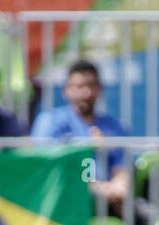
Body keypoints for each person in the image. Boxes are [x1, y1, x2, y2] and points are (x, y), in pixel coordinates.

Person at [31, 60, 131, 209]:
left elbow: (122, 167)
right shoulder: (50, 122)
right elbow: (50, 167)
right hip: (64, 200)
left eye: (91, 86)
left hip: (110, 201)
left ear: (100, 89)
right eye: (79, 86)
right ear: (66, 90)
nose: (86, 93)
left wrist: (118, 188)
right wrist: (97, 187)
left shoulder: (114, 126)